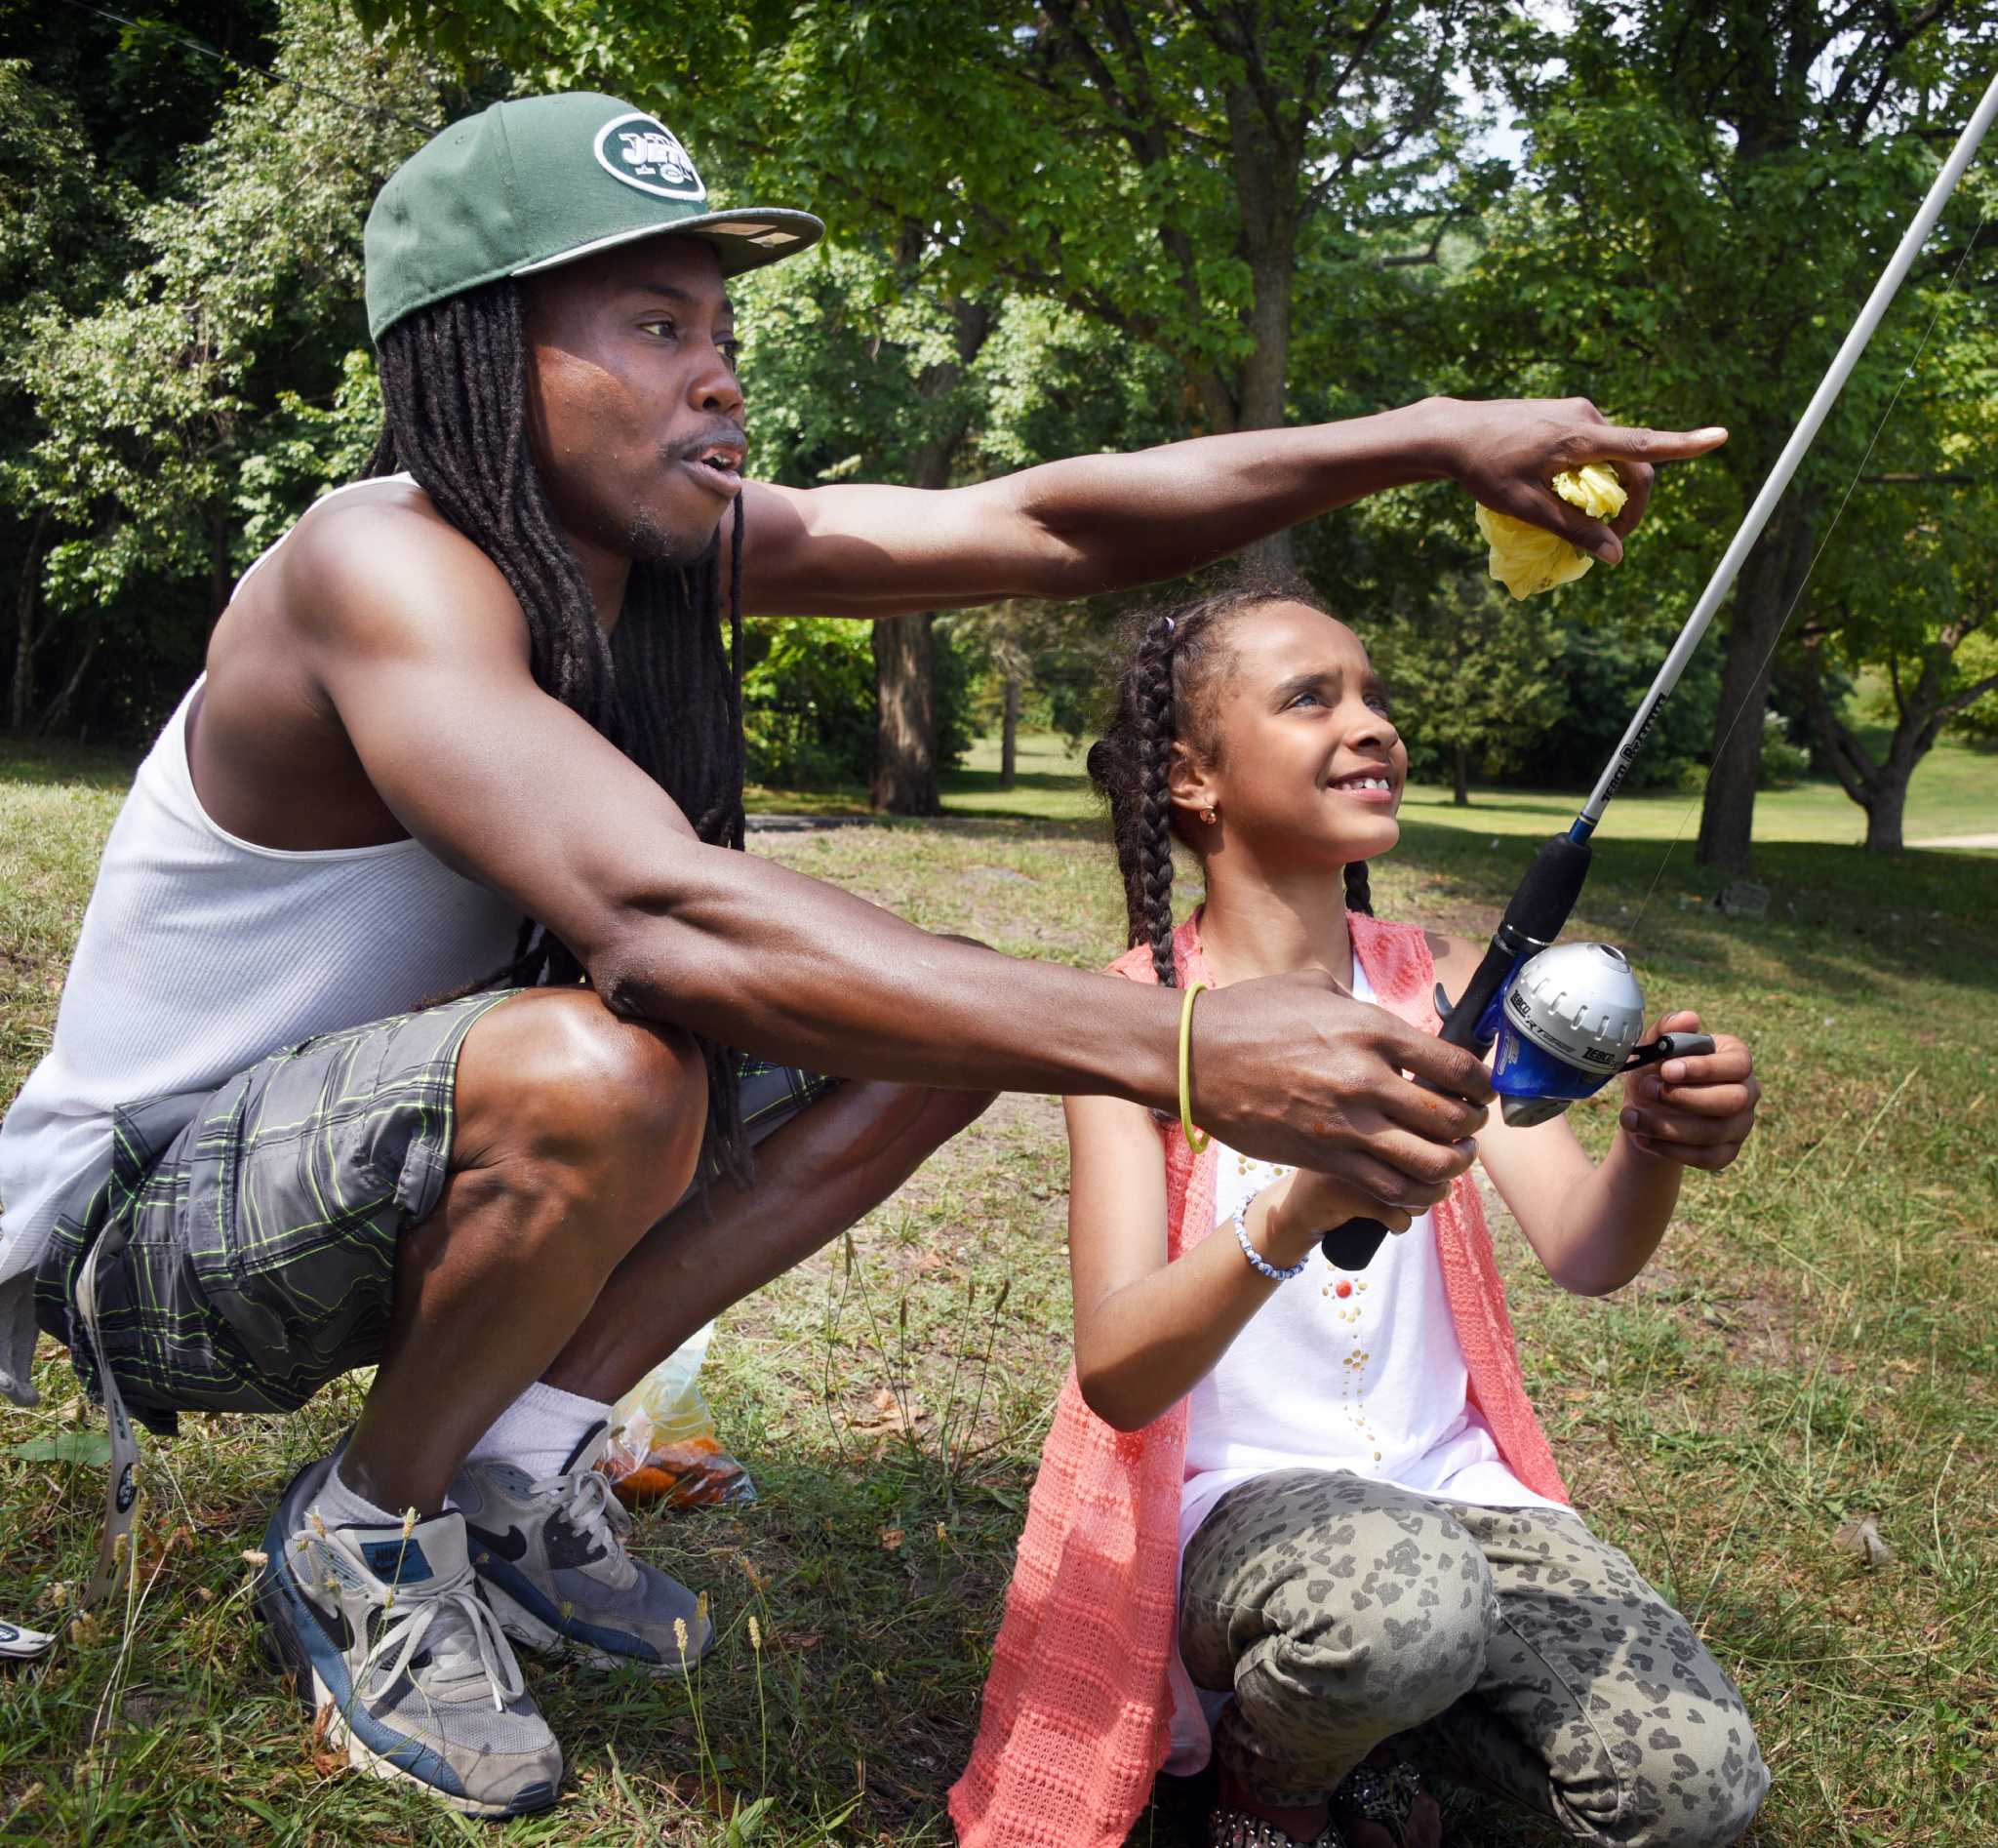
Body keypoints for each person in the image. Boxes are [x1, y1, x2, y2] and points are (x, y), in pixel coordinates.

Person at [0, 93, 1727, 1818]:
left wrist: (1426, 438)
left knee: (937, 1016)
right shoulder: (376, 566)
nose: (721, 376)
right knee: (612, 1053)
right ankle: (367, 1528)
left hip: (376, 1170)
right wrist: (1184, 1049)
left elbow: (1047, 527)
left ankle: (520, 1455)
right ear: (476, 355)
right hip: (149, 1236)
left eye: (723, 331)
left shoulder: (669, 555)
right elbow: (663, 918)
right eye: (658, 325)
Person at [953, 582, 1770, 1848]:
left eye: (1374, 694)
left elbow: (1589, 1244)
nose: (1371, 722)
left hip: (1459, 1498)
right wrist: (1292, 1213)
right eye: (1311, 697)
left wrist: (1658, 1140)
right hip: (1241, 1515)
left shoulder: (1439, 984)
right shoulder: (1129, 1024)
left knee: (1699, 1785)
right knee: (1404, 1604)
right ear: (1192, 776)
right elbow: (1118, 1373)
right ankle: (1270, 1786)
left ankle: (1396, 1718)